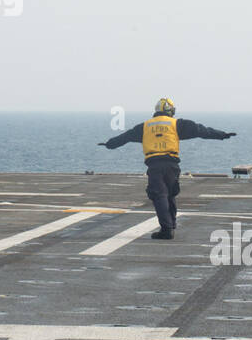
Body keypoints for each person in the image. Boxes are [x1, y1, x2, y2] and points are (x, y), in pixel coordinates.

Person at [98, 98, 235, 241]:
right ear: (170, 111)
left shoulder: (145, 126)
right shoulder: (177, 124)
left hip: (155, 165)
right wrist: (222, 135)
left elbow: (125, 137)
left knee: (159, 195)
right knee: (170, 195)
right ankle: (172, 225)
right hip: (172, 165)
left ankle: (166, 229)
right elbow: (201, 130)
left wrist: (109, 144)